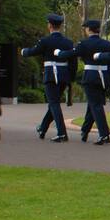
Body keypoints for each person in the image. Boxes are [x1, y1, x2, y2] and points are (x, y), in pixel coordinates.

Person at [54, 18, 110, 144]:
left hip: (91, 76)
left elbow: (71, 54)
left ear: (88, 29)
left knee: (95, 106)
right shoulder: (107, 44)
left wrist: (59, 53)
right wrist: (108, 78)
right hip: (103, 76)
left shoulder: (84, 44)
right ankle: (85, 130)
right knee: (92, 104)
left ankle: (104, 134)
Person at [20, 12, 74, 142]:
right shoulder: (68, 42)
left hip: (51, 74)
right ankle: (43, 128)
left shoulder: (45, 41)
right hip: (63, 76)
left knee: (53, 103)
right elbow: (73, 61)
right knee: (53, 103)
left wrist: (23, 51)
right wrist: (70, 78)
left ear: (50, 25)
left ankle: (61, 133)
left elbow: (34, 51)